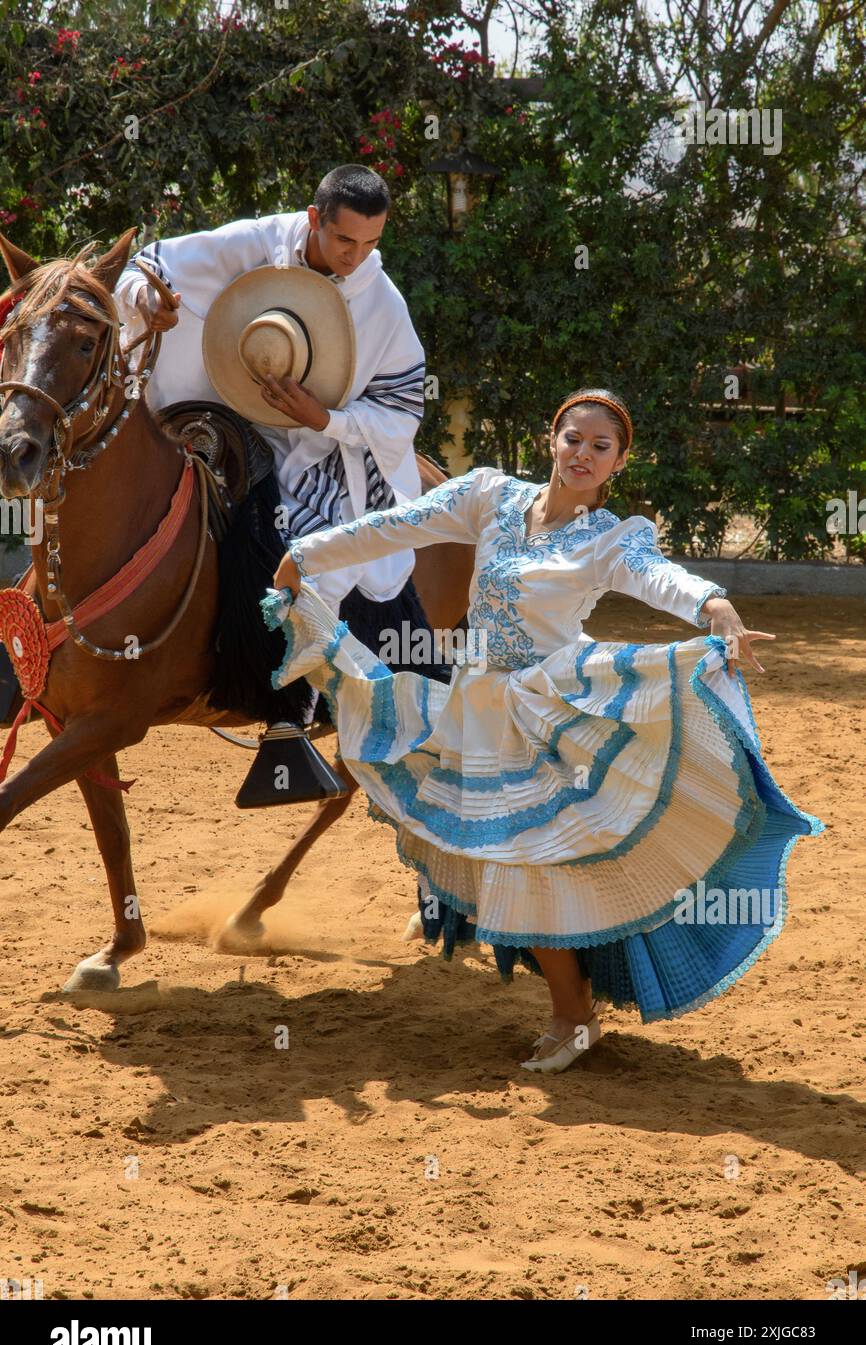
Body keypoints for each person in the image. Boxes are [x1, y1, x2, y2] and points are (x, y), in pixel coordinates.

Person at [261, 387, 824, 1073]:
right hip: (477, 706)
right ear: (550, 441)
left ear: (619, 463)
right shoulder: (488, 496)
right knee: (504, 857)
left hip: (552, 707)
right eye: (574, 439)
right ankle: (571, 1006)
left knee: (527, 861)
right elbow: (397, 525)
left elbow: (660, 579)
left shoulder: (613, 538)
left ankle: (573, 1014)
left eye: (600, 447)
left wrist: (717, 606)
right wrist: (306, 555)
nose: (583, 454)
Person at [113, 164, 426, 619]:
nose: (356, 257)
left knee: (318, 562)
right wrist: (147, 300)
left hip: (315, 445)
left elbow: (400, 413)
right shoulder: (259, 243)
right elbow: (143, 267)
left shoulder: (382, 302)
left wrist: (324, 419)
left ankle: (300, 666)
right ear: (315, 219)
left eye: (371, 243)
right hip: (218, 409)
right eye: (344, 240)